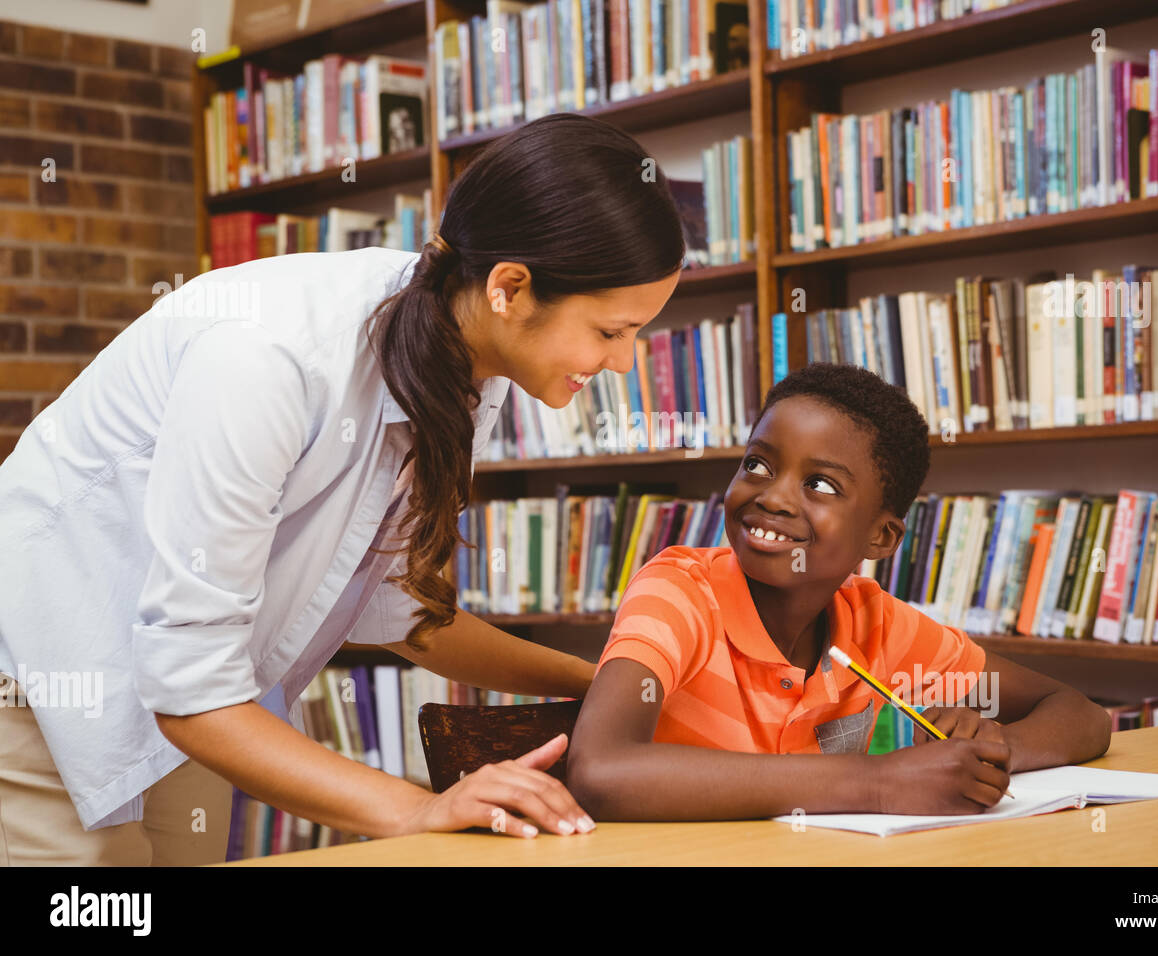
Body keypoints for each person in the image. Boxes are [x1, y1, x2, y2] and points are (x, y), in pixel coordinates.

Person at [0, 112, 684, 864]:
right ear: (510, 288)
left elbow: (407, 617)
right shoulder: (268, 360)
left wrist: (618, 688)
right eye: (612, 331)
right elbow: (191, 691)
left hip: (184, 698)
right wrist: (418, 809)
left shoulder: (463, 360)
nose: (622, 364)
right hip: (44, 670)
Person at [567, 363, 1112, 820]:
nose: (773, 497)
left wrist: (993, 751)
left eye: (819, 485)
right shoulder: (680, 591)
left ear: (881, 536)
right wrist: (877, 783)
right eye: (757, 464)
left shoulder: (878, 625)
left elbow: (1080, 713)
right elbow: (601, 769)